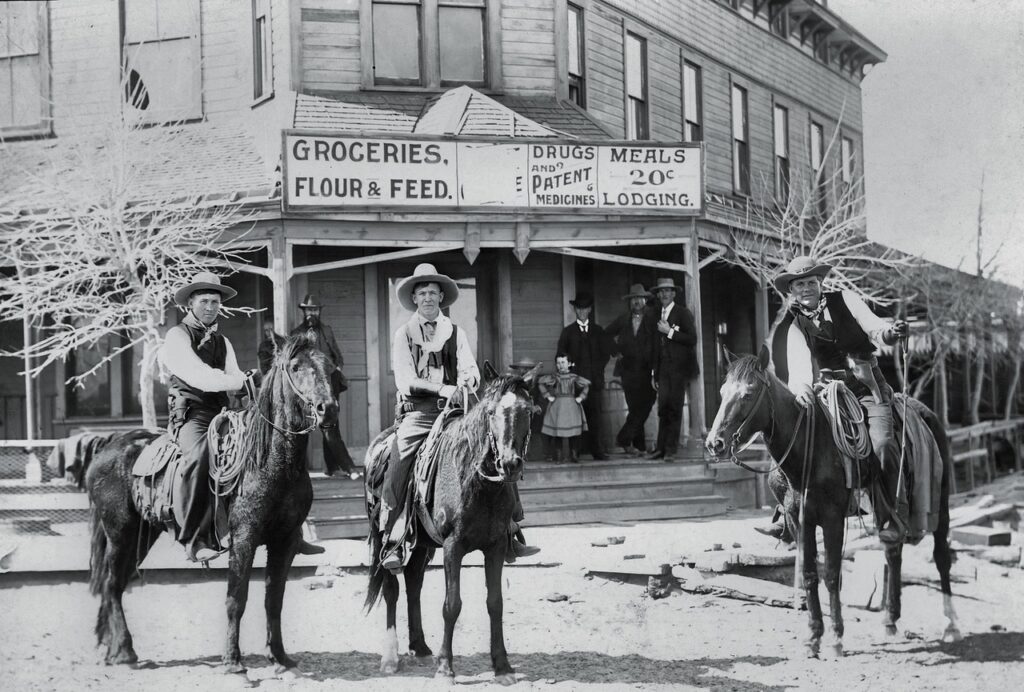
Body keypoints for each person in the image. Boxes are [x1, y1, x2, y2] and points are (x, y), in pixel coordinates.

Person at [381, 263, 538, 570]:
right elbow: (404, 379)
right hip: (420, 415)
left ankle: (510, 526)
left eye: (433, 293)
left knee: (497, 447)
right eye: (422, 293)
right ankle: (394, 533)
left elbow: (470, 370)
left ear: (442, 297)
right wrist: (442, 389)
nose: (428, 298)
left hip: (455, 413)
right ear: (414, 299)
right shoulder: (404, 335)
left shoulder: (456, 332)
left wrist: (467, 381)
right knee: (400, 456)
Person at [161, 272, 325, 562]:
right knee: (199, 456)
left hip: (222, 412)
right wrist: (239, 381)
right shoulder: (177, 336)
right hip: (192, 415)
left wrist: (247, 381)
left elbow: (234, 374)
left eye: (215, 302)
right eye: (204, 301)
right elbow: (202, 377)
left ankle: (290, 531)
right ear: (190, 303)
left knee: (270, 449)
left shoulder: (223, 341)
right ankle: (195, 538)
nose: (211, 307)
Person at [760, 256, 910, 543]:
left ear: (821, 283)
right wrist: (802, 390)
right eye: (800, 284)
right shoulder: (792, 325)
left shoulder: (846, 299)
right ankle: (788, 514)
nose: (806, 288)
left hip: (866, 387)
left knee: (883, 445)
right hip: (827, 392)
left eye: (811, 282)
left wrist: (891, 333)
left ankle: (890, 515)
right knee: (786, 455)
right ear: (791, 289)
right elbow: (800, 368)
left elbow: (875, 329)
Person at [291, 294, 356, 475]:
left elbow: (338, 355)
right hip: (308, 387)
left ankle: (331, 468)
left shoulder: (327, 330)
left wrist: (337, 369)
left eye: (315, 310)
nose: (312, 313)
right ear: (304, 312)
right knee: (300, 427)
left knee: (331, 425)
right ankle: (299, 471)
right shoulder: (297, 334)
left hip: (329, 383)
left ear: (319, 312)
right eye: (309, 310)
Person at [647, 277, 699, 463]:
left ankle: (670, 450)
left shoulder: (682, 313)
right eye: (661, 291)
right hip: (663, 370)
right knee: (663, 409)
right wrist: (654, 372)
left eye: (668, 291)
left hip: (679, 369)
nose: (664, 294)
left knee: (675, 408)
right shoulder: (655, 315)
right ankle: (660, 449)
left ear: (674, 293)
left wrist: (669, 332)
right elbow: (655, 346)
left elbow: (692, 339)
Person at [556, 292, 612, 460]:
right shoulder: (568, 332)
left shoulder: (598, 331)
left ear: (590, 310)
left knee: (595, 416)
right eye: (578, 309)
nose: (581, 312)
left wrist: (597, 370)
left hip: (594, 382)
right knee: (576, 417)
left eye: (584, 308)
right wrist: (569, 369)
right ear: (575, 310)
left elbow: (606, 354)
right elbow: (560, 355)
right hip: (574, 384)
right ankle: (576, 452)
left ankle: (597, 451)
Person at [605, 283, 657, 455]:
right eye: (633, 298)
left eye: (639, 298)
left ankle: (623, 438)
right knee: (635, 408)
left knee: (646, 404)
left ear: (645, 300)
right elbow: (605, 335)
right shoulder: (623, 319)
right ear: (630, 301)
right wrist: (615, 352)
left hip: (647, 371)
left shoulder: (653, 318)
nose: (636, 301)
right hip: (628, 371)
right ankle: (639, 447)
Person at [539, 354, 590, 463]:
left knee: (574, 432)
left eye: (563, 362)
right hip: (558, 406)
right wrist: (548, 396)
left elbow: (586, 385)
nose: (560, 365)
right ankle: (558, 456)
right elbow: (541, 383)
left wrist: (581, 397)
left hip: (572, 406)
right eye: (558, 363)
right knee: (558, 432)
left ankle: (574, 455)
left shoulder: (573, 377)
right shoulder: (554, 377)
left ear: (569, 364)